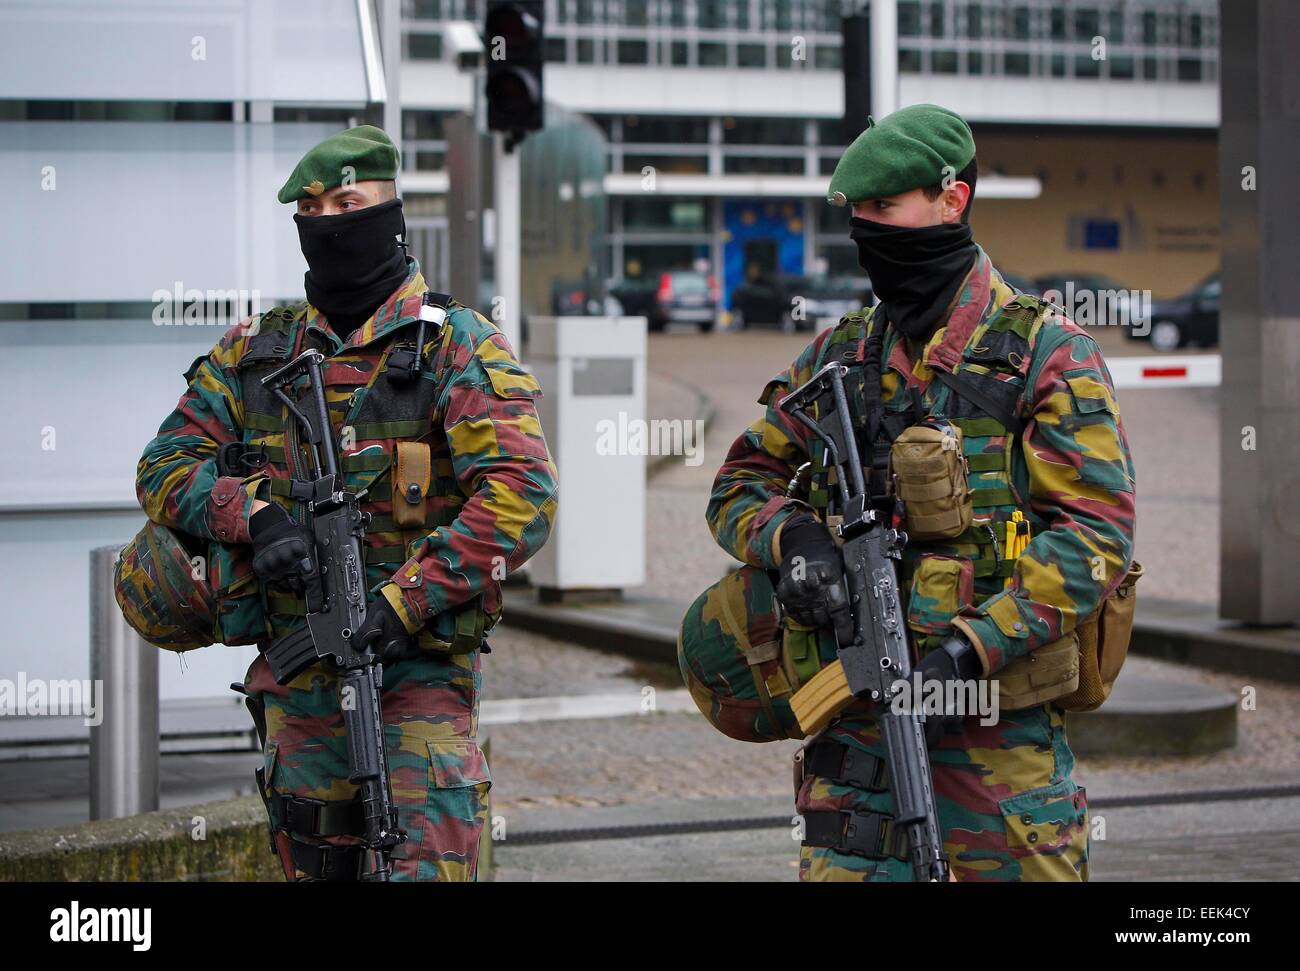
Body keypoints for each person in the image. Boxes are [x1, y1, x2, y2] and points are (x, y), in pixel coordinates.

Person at [703, 104, 1136, 881]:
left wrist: (969, 649)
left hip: (999, 769)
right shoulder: (841, 357)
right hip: (859, 769)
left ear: (951, 202)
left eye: (885, 207)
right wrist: (793, 540)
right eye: (859, 213)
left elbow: (1094, 539)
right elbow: (738, 482)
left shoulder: (1045, 357)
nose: (868, 230)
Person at [131, 125, 558, 881]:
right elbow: (164, 465)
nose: (330, 220)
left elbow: (523, 497)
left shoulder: (457, 346)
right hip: (300, 682)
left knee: (423, 859)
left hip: (418, 671)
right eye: (313, 206)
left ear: (390, 213)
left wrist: (406, 600)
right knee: (311, 854)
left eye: (349, 202)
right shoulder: (257, 351)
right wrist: (253, 513)